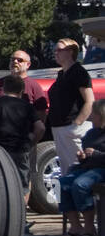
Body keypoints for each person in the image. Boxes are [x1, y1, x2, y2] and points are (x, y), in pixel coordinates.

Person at [0, 74, 38, 200]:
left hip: (0, 149)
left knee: (0, 182)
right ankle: (22, 217)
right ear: (21, 91)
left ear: (4, 88)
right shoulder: (27, 106)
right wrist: (32, 141)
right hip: (21, 149)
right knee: (23, 184)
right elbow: (40, 127)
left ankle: (4, 213)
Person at [58, 98, 105, 236]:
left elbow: (98, 155)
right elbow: (85, 152)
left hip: (102, 169)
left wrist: (95, 154)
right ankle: (75, 225)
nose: (91, 116)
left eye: (94, 114)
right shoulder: (91, 133)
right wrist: (82, 156)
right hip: (88, 167)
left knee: (80, 184)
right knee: (60, 183)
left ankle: (90, 226)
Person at [47, 38, 94, 173]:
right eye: (55, 50)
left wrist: (76, 123)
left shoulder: (78, 72)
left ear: (71, 51)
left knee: (78, 168)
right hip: (60, 128)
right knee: (67, 170)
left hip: (72, 128)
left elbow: (90, 100)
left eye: (59, 50)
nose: (56, 53)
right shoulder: (62, 74)